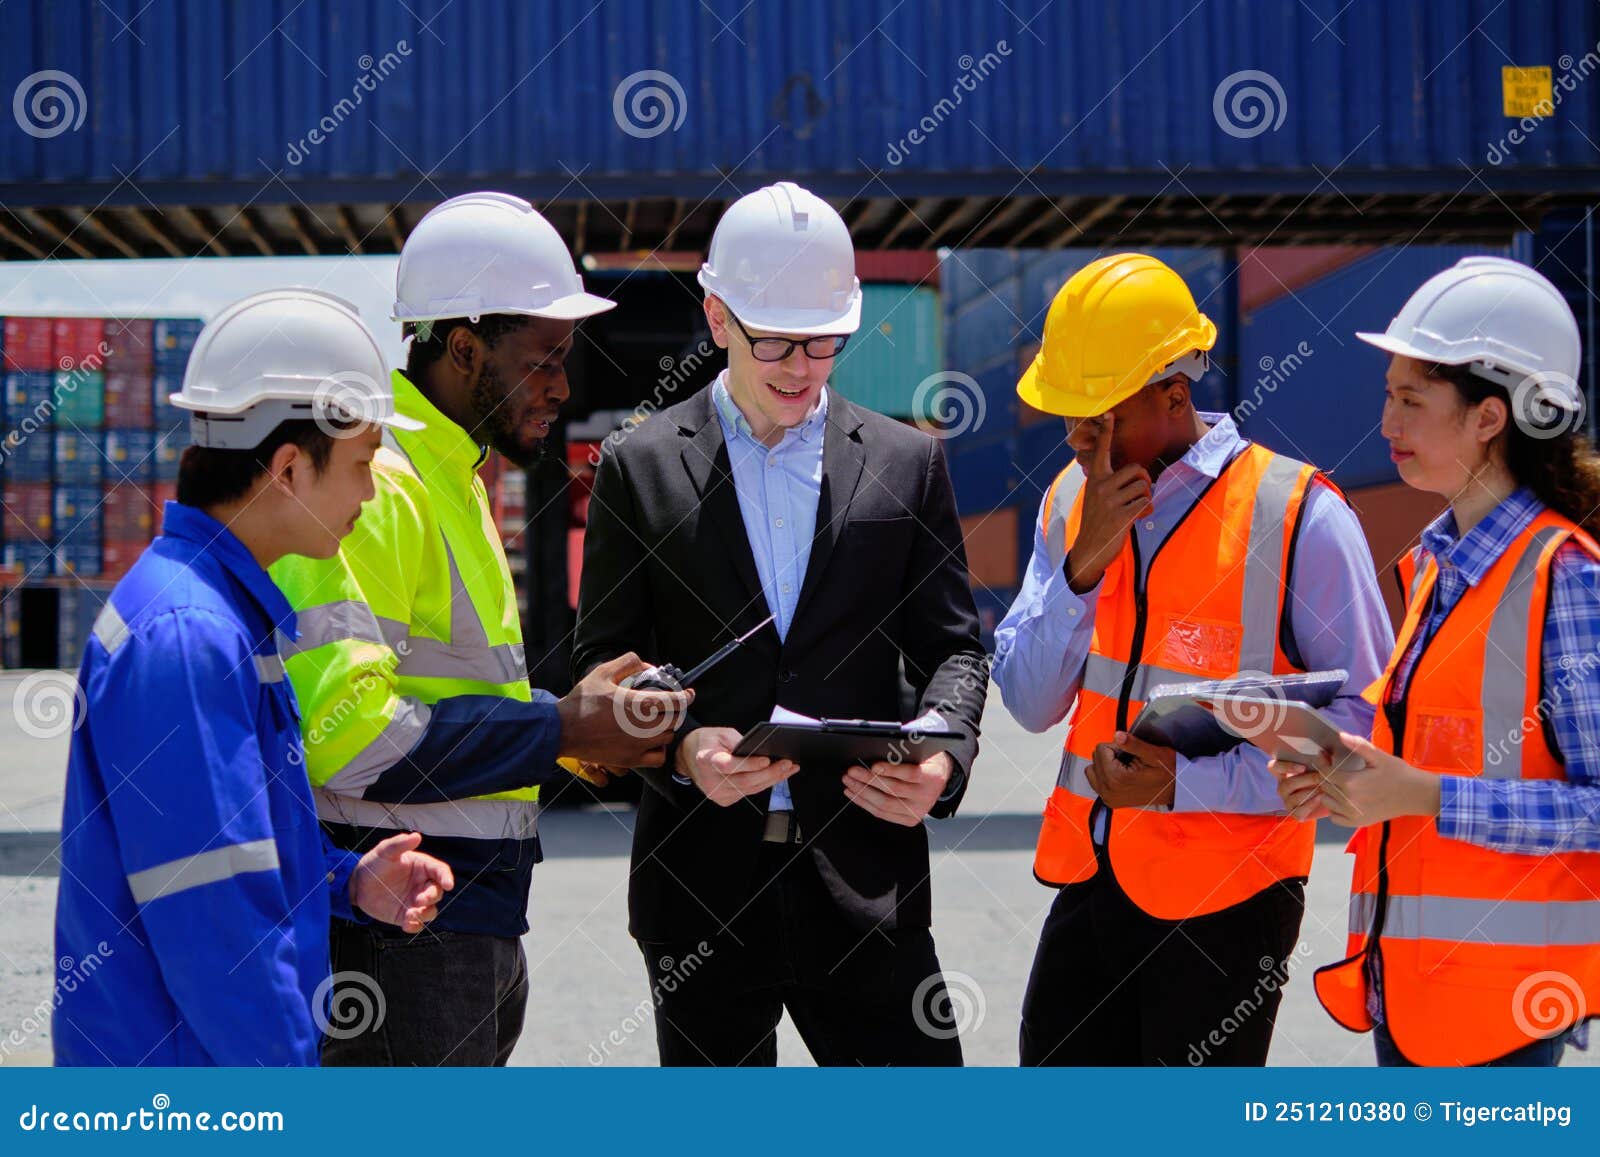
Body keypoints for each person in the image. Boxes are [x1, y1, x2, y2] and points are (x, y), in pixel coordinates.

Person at [270, 192, 692, 1066]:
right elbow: (345, 737)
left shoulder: (453, 476)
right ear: (464, 349)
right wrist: (560, 726)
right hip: (403, 930)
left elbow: (451, 687)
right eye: (545, 360)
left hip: (468, 919)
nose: (563, 386)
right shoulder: (383, 484)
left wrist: (575, 734)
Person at [574, 180, 987, 1066]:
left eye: (824, 340)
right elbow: (603, 658)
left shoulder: (908, 464)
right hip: (701, 893)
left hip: (868, 879)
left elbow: (954, 647)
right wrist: (681, 748)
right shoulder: (638, 466)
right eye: (775, 341)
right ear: (717, 317)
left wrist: (944, 757)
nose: (801, 366)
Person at [993, 252, 1394, 1066]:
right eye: (1068, 418)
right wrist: (1081, 568)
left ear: (1174, 396)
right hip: (1091, 879)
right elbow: (1030, 702)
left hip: (1230, 904)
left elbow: (1364, 734)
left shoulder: (1298, 515)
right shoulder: (1070, 502)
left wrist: (1187, 784)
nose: (1076, 441)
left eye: (1097, 419)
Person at [53, 289, 455, 1066]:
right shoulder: (191, 636)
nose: (371, 493)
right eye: (363, 464)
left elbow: (233, 843)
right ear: (289, 468)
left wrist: (346, 880)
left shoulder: (216, 611)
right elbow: (218, 925)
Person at [1277, 256, 1600, 1067]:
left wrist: (1424, 795)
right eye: (1389, 394)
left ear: (1489, 417)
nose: (1386, 419)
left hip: (1504, 1014)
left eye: (1412, 400)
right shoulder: (1437, 567)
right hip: (1410, 993)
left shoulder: (1567, 575)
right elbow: (1436, 759)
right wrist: (1347, 781)